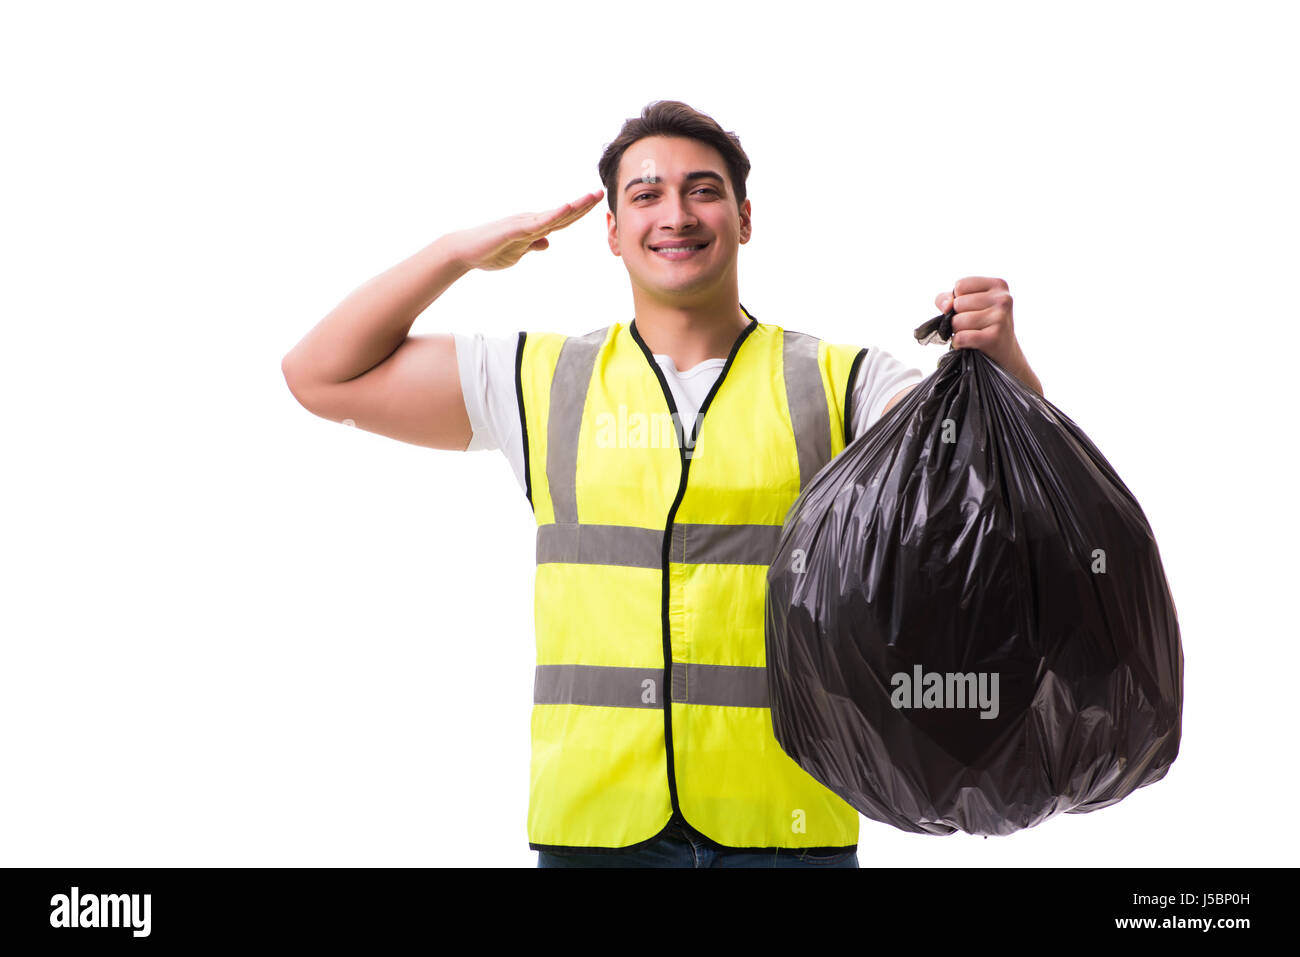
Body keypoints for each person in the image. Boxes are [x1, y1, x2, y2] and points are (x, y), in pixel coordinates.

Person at [281, 100, 1044, 868]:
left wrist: (1001, 356)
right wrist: (455, 252)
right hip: (597, 830)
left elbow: (1010, 481)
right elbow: (319, 373)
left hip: (786, 825)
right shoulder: (541, 380)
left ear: (745, 218)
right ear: (611, 230)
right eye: (645, 195)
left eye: (702, 190)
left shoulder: (840, 381)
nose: (675, 214)